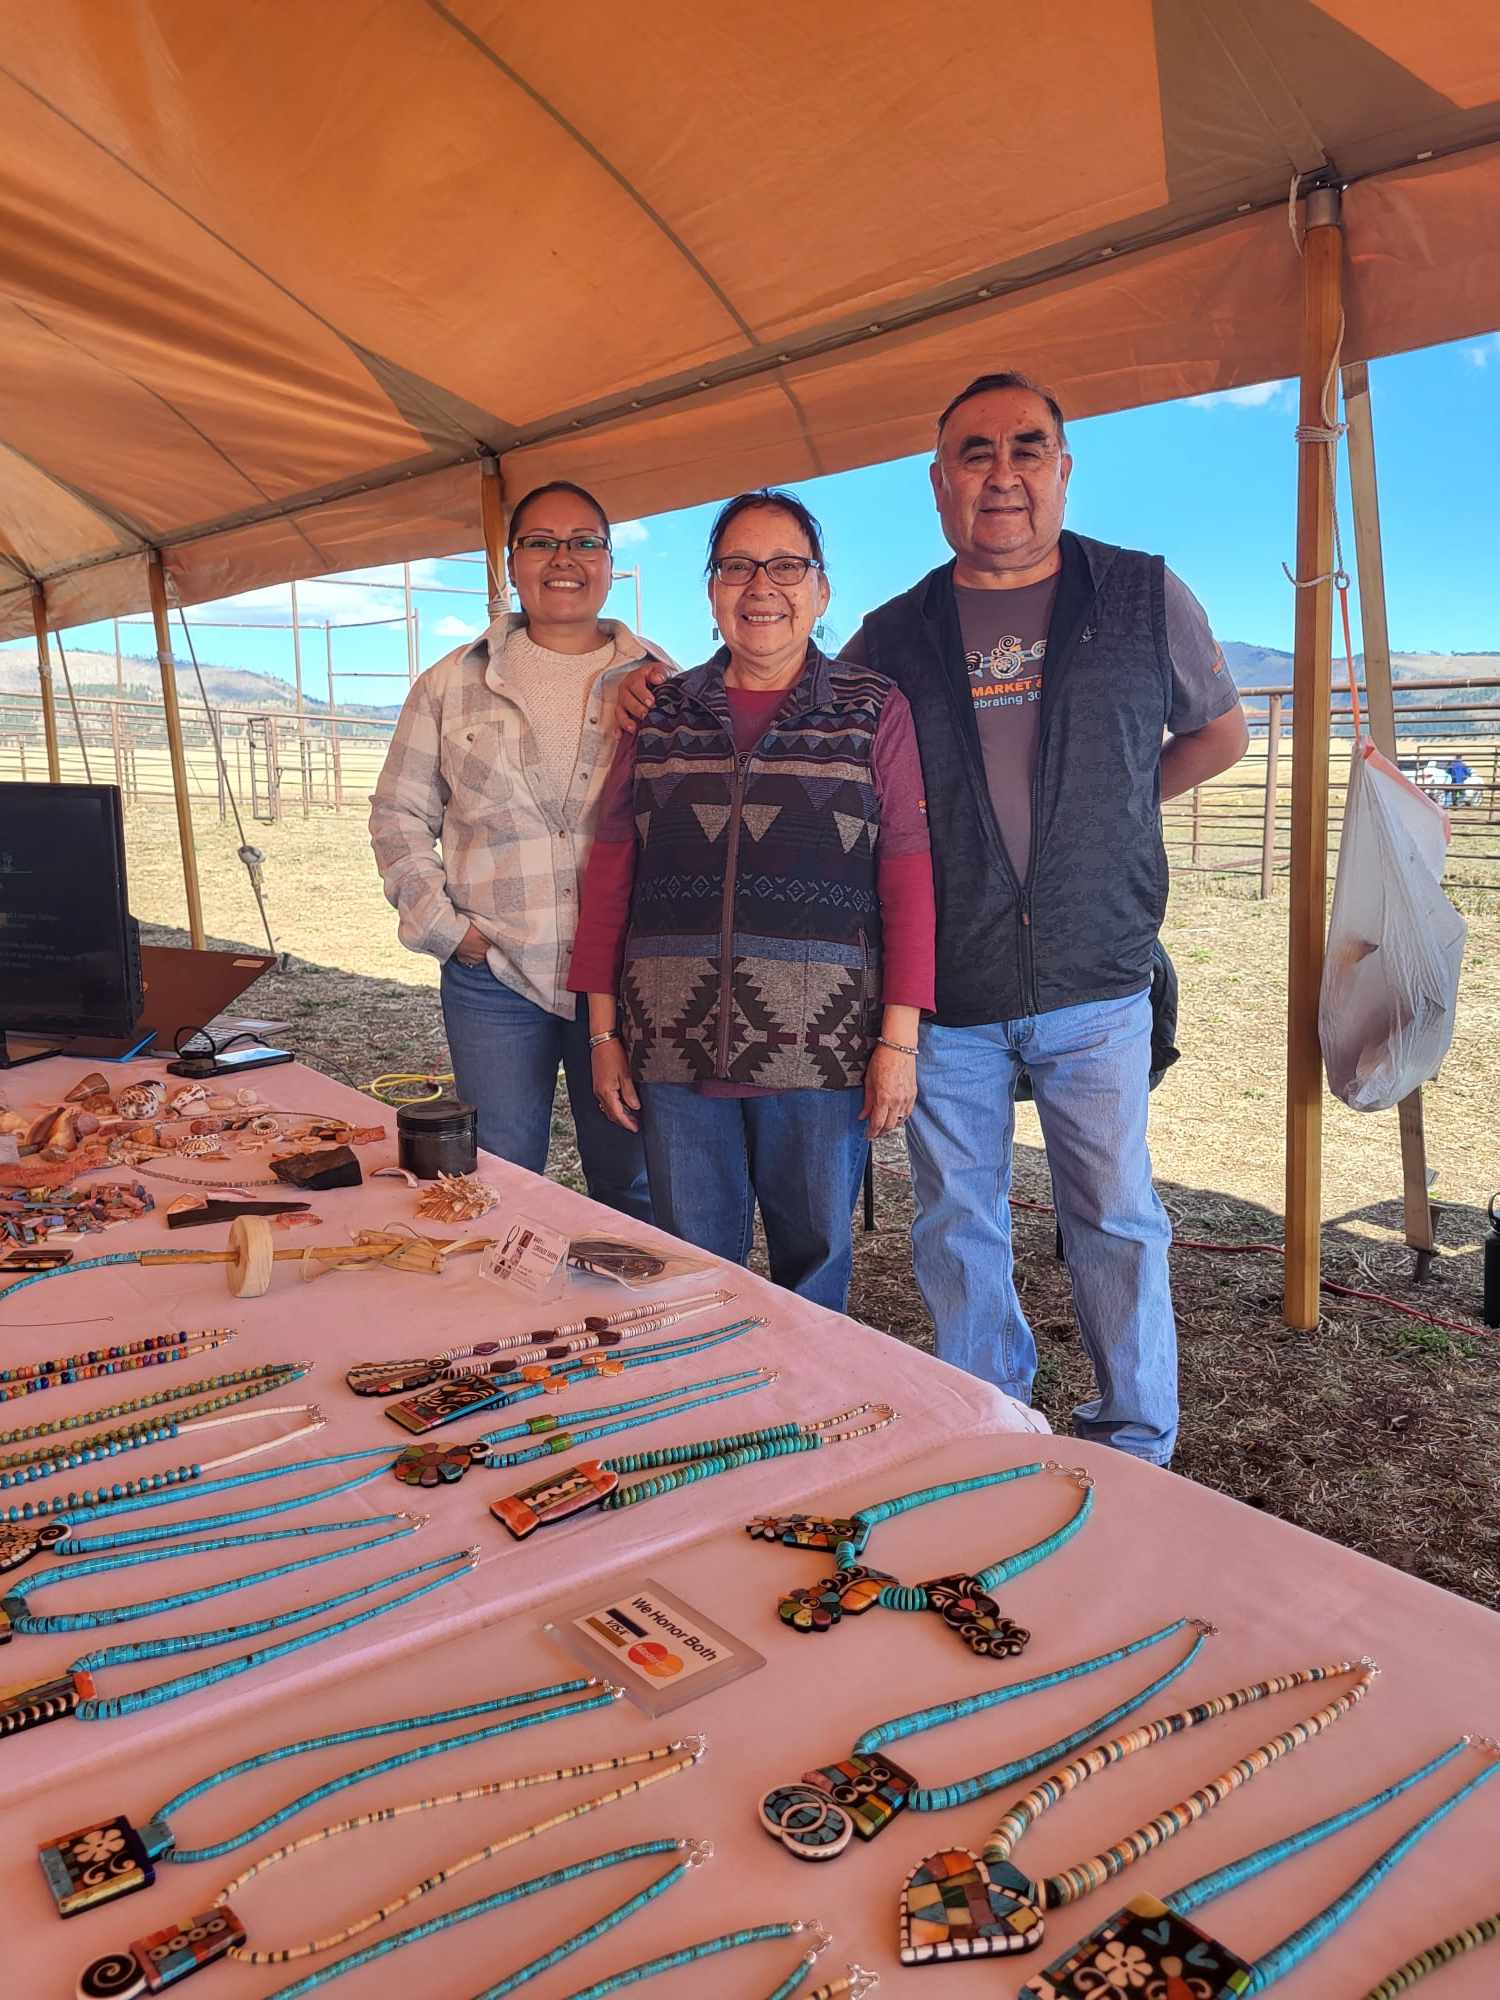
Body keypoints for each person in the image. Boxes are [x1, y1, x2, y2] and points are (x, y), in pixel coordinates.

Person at [617, 375, 1249, 1464]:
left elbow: (1219, 736)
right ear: (937, 481)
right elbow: (798, 700)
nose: (1000, 472)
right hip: (949, 989)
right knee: (960, 1219)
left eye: (1025, 447)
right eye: (973, 452)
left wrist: (1100, 821)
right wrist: (662, 687)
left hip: (1096, 973)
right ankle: (989, 1419)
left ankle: (1137, 1435)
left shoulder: (1143, 597)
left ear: (1062, 468)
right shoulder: (894, 635)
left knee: (1115, 1214)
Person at [568, 489, 935, 1311]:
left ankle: (805, 1424)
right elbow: (612, 874)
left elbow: (908, 876)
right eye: (736, 566)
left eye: (785, 566)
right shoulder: (661, 711)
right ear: (711, 591)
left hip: (821, 1048)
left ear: (821, 589)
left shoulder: (871, 710)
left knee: (814, 1266)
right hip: (670, 1039)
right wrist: (601, 1031)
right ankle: (709, 1413)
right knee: (692, 1270)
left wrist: (898, 1042)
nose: (760, 586)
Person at [369, 480, 667, 1219]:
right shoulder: (449, 685)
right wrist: (451, 933)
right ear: (511, 563)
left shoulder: (663, 682)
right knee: (495, 1175)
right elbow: (398, 814)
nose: (563, 559)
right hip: (496, 975)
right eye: (541, 542)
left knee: (629, 1177)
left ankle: (622, 1324)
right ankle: (501, 1323)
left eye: (584, 542)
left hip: (624, 981)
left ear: (608, 559)